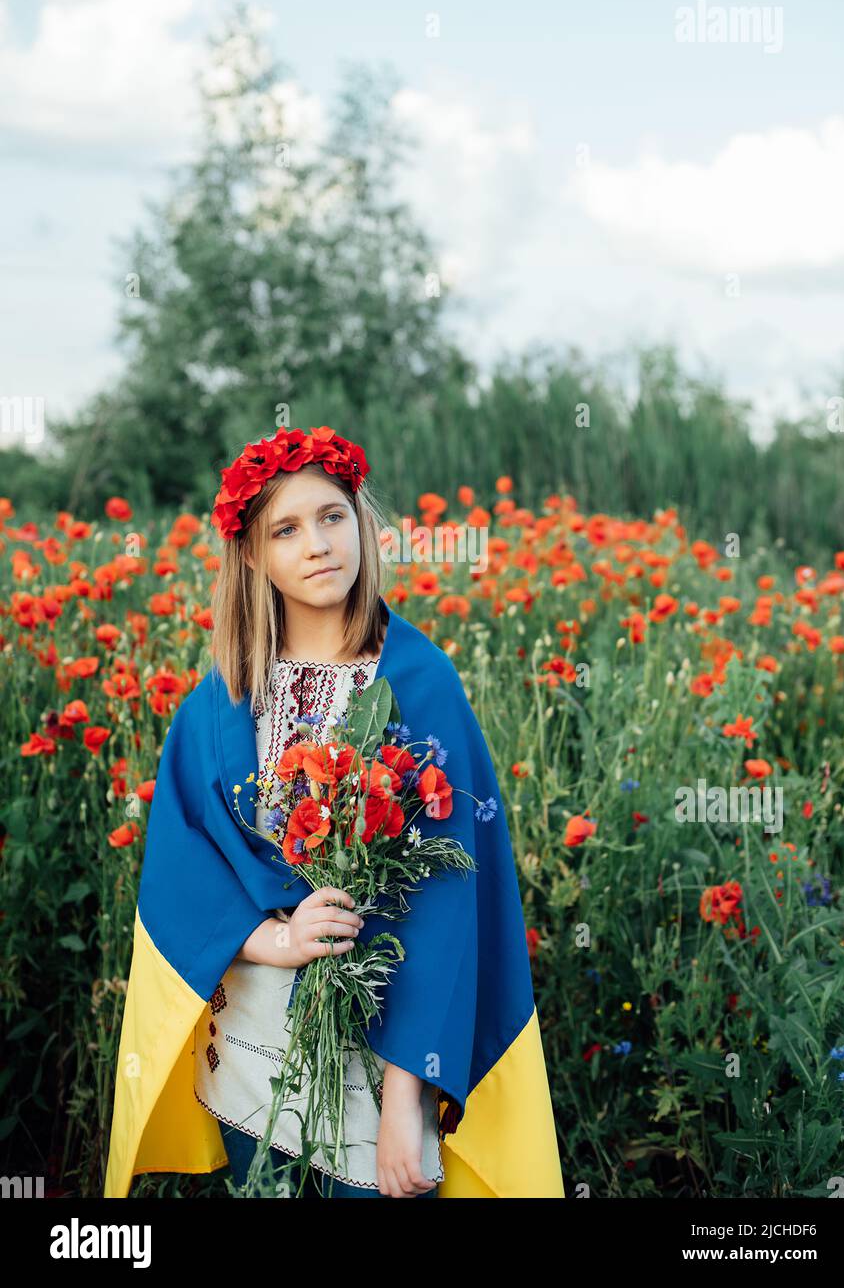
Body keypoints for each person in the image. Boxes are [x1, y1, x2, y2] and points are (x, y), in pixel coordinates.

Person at [104, 424, 564, 1199]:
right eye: (286, 529)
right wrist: (272, 936)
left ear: (361, 525)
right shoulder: (225, 695)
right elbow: (182, 858)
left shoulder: (420, 683)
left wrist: (402, 1102)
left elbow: (447, 903)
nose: (317, 544)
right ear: (252, 555)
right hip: (250, 1052)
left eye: (332, 516)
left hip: (383, 1062)